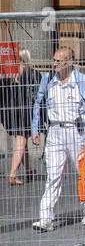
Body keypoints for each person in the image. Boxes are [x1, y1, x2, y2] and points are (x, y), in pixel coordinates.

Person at [30, 46, 85, 233]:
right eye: (54, 60)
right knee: (53, 175)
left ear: (70, 62)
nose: (55, 64)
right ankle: (46, 218)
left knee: (84, 174)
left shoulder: (83, 82)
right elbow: (39, 103)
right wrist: (35, 129)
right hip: (55, 131)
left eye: (59, 61)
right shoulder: (48, 80)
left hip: (77, 131)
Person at [1, 49, 39, 184]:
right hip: (26, 112)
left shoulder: (9, 75)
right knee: (21, 142)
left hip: (11, 113)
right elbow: (37, 95)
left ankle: (28, 171)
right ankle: (12, 174)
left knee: (21, 143)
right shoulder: (32, 74)